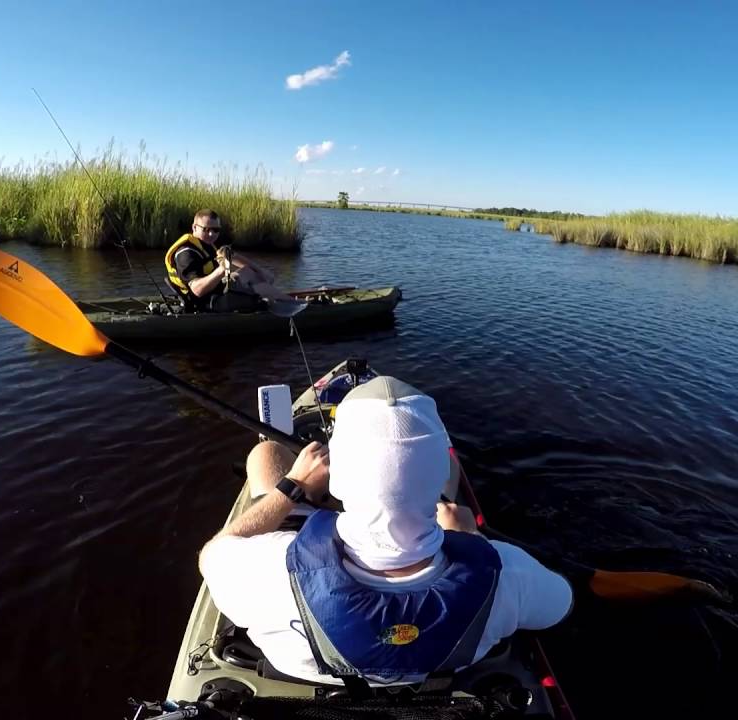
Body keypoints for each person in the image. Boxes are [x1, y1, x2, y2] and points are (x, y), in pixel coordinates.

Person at [198, 377, 573, 685]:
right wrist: (470, 539)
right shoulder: (507, 572)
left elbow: (213, 553)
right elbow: (561, 604)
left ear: (337, 480)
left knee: (265, 457)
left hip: (300, 673)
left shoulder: (269, 566)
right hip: (441, 672)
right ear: (435, 479)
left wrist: (294, 483)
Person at [164, 209, 289, 312]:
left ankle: (284, 299)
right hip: (204, 302)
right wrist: (221, 270)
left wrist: (261, 270)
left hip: (216, 290)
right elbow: (197, 290)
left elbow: (233, 256)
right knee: (258, 301)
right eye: (206, 229)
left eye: (216, 230)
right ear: (194, 227)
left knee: (247, 272)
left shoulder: (206, 243)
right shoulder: (186, 254)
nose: (212, 234)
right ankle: (282, 303)